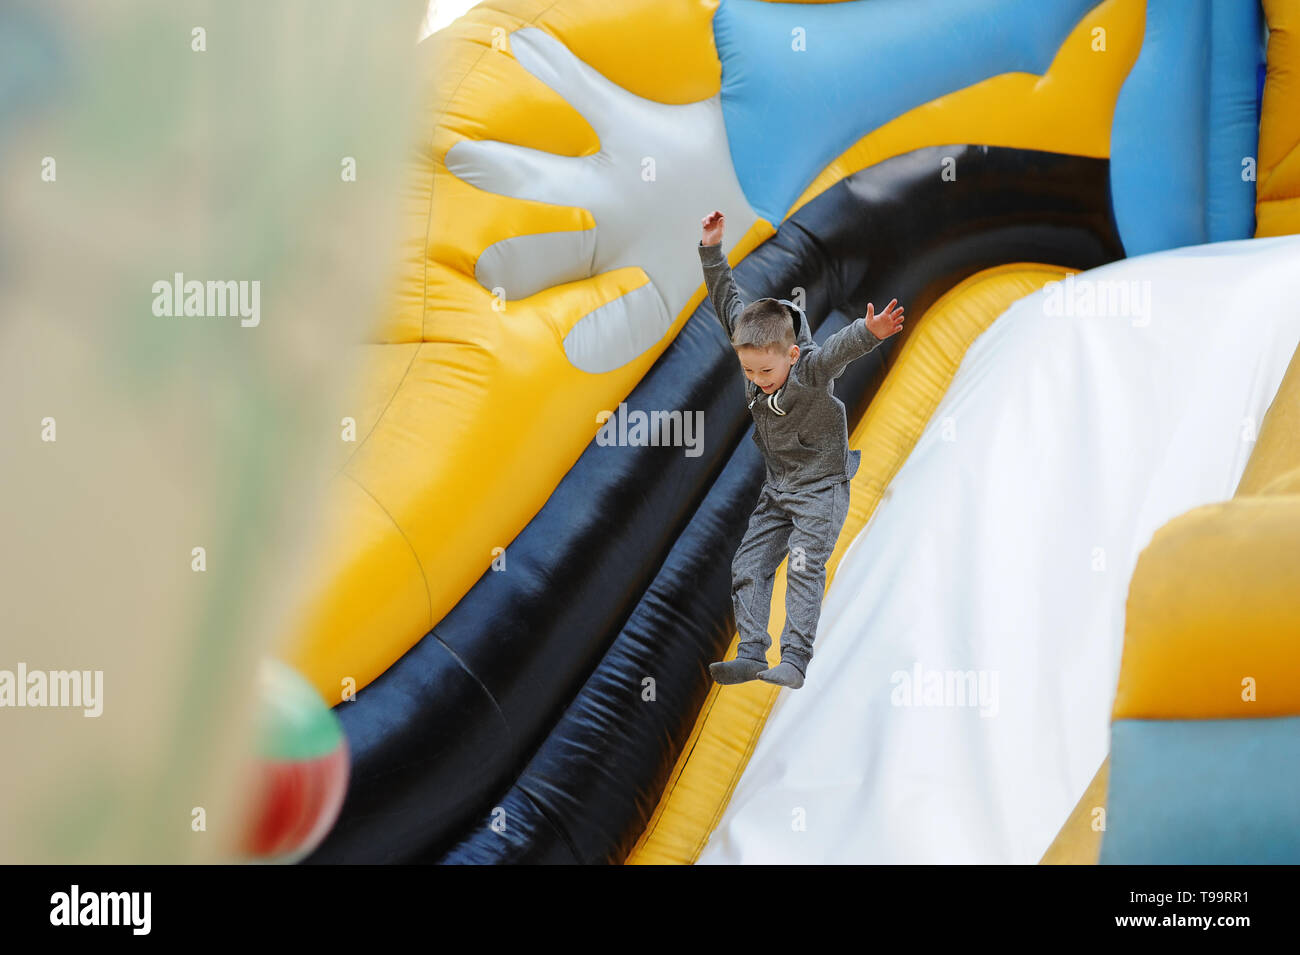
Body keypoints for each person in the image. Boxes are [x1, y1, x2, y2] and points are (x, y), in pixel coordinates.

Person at [698, 209, 904, 689]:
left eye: (764, 373)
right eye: (748, 372)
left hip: (821, 489)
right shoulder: (755, 351)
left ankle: (795, 657)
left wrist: (868, 334)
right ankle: (751, 651)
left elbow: (836, 351)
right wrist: (711, 250)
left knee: (805, 566)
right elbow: (726, 299)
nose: (755, 380)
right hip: (779, 489)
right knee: (748, 564)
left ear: (791, 355)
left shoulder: (808, 369)